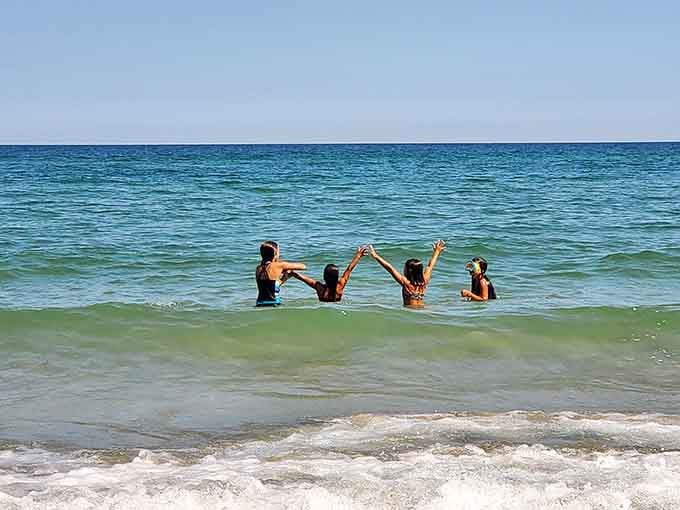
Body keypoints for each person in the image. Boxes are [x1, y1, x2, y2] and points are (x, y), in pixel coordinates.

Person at [368, 240, 446, 307]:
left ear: (409, 271)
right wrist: (437, 252)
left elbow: (390, 268)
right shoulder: (424, 282)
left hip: (411, 310)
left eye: (405, 267)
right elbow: (430, 266)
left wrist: (376, 256)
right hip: (422, 308)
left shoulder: (406, 283)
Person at [289, 246, 368, 302]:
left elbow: (303, 278)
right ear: (337, 277)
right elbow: (349, 269)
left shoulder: (319, 287)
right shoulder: (340, 286)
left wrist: (291, 272)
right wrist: (358, 256)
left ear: (324, 276)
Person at [255, 240, 306, 307]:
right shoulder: (278, 265)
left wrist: (285, 278)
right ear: (275, 254)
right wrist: (283, 266)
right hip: (273, 303)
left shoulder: (258, 268)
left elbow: (270, 287)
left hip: (259, 303)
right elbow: (303, 266)